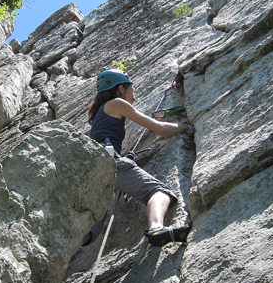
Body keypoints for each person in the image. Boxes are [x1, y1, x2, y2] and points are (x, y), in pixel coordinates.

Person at [83, 68, 194, 248]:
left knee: (89, 230)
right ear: (121, 88)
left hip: (91, 174)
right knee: (159, 192)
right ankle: (156, 230)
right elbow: (160, 128)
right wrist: (186, 127)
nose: (134, 97)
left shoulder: (99, 115)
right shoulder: (117, 102)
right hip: (107, 162)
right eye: (132, 90)